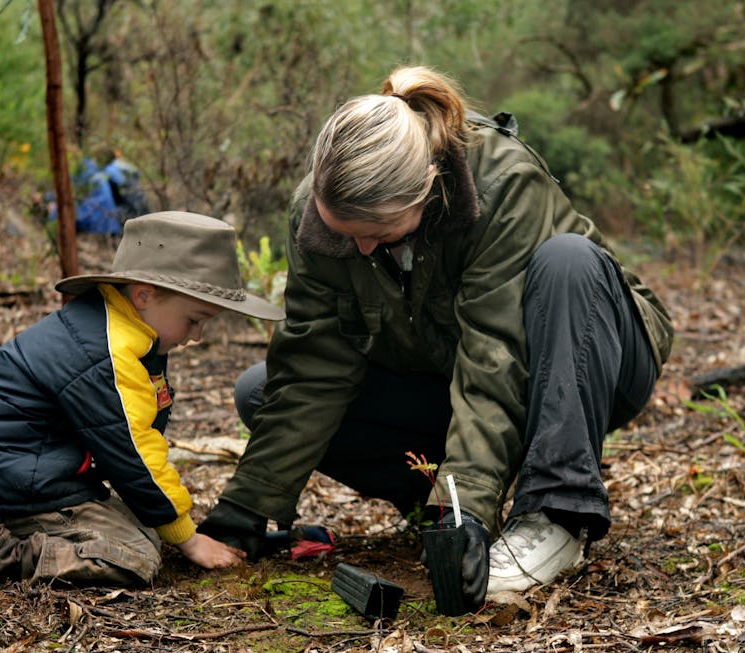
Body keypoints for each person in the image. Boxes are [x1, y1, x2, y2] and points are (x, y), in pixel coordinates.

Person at [197, 66, 673, 609]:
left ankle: (556, 515)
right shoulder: (320, 212)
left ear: (426, 189)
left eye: (377, 235)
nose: (363, 253)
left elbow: (495, 357)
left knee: (570, 262)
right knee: (258, 391)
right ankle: (433, 509)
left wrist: (464, 508)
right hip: (442, 375)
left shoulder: (502, 184)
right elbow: (312, 364)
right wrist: (242, 514)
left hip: (587, 361)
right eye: (346, 235)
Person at [0, 211, 285, 586]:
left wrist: (167, 523)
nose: (196, 336)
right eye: (193, 320)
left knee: (147, 532)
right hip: (13, 484)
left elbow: (137, 429)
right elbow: (133, 449)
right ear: (144, 295)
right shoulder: (107, 352)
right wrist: (189, 539)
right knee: (135, 557)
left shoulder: (120, 328)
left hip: (35, 473)